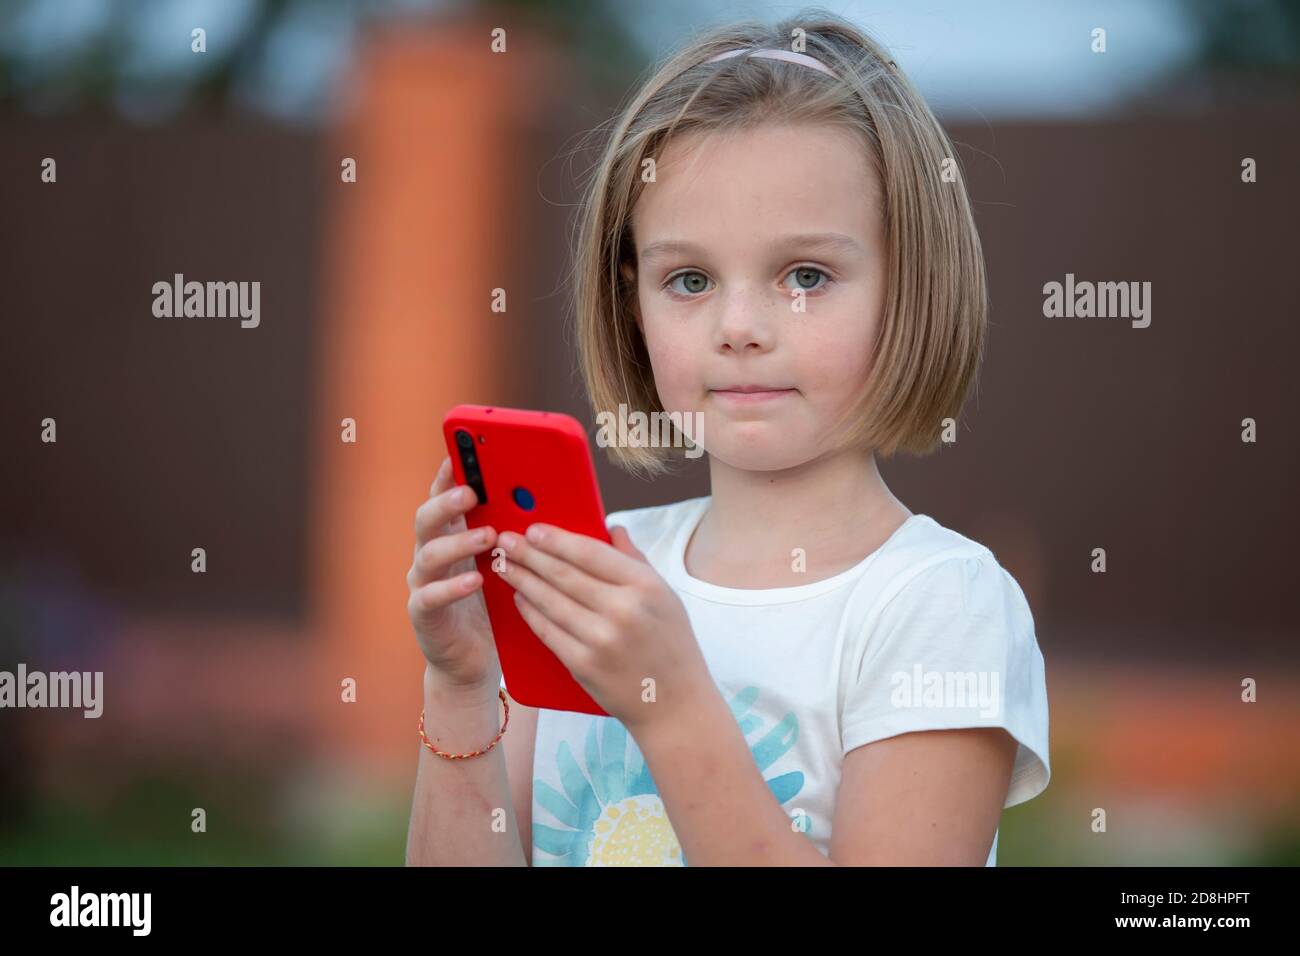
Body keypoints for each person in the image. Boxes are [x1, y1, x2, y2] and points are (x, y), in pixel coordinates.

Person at [406, 9, 1049, 867]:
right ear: (631, 299)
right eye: (690, 278)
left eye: (806, 276)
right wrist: (461, 687)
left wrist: (668, 703)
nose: (739, 326)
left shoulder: (940, 606)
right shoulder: (603, 572)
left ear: (912, 286)